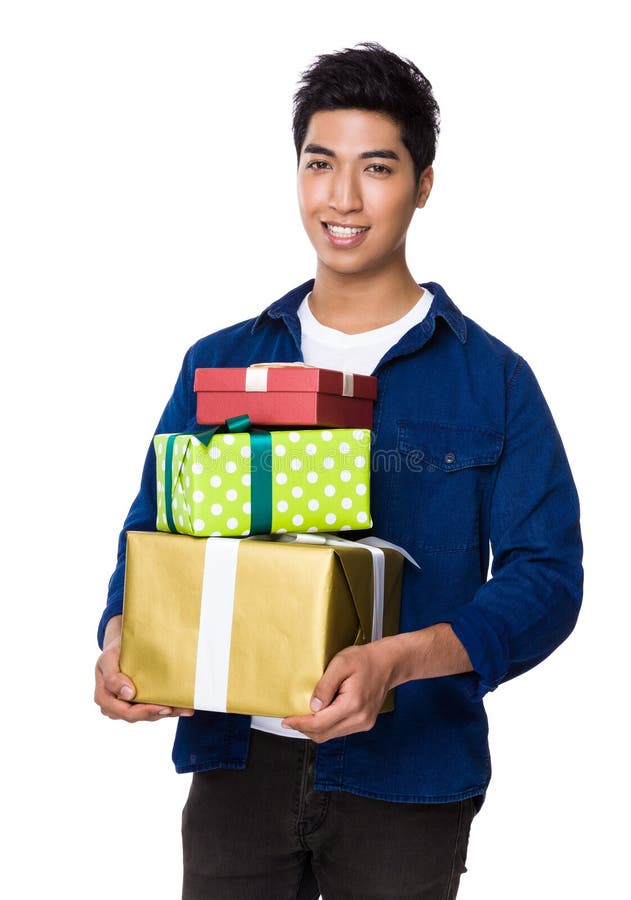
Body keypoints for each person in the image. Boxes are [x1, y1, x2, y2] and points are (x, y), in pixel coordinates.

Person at [94, 42, 583, 900]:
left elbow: (546, 579)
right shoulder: (221, 363)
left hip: (408, 774)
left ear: (422, 184)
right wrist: (118, 638)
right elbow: (153, 530)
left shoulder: (493, 380)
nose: (342, 198)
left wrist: (401, 660)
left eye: (377, 168)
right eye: (320, 164)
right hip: (235, 767)